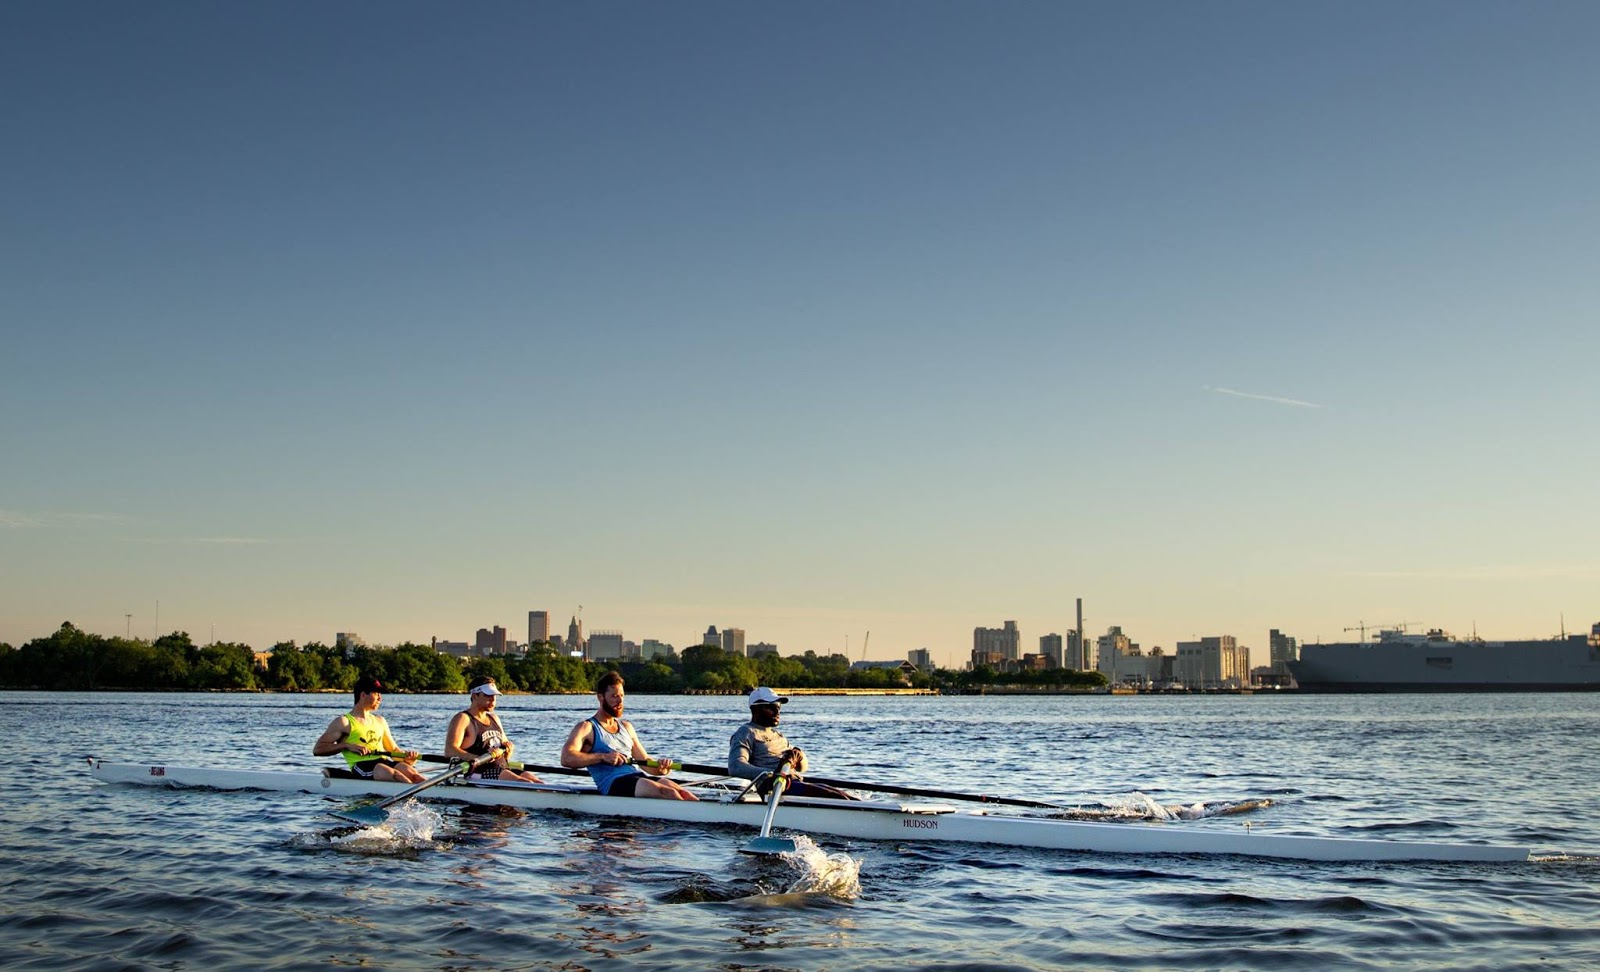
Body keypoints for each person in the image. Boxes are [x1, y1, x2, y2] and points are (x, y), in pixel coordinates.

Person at [560, 671, 698, 800]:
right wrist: (602, 756)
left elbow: (644, 761)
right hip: (614, 784)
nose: (620, 702)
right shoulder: (586, 727)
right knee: (669, 793)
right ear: (600, 697)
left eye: (621, 696)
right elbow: (566, 759)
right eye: (614, 696)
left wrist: (662, 769)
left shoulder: (627, 727)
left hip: (636, 777)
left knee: (683, 793)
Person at [729, 686, 856, 800]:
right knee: (836, 797)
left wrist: (799, 756)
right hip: (775, 787)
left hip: (793, 782)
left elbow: (802, 768)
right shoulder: (746, 732)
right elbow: (735, 766)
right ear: (756, 709)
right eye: (772, 707)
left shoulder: (778, 735)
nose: (777, 712)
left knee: (845, 795)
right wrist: (770, 774)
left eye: (779, 706)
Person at [313, 675, 426, 783]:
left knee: (412, 773)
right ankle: (416, 795)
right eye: (376, 693)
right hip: (363, 766)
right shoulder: (344, 722)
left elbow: (394, 751)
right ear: (363, 695)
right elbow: (318, 749)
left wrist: (408, 759)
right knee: (394, 774)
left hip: (384, 762)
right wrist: (346, 746)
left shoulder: (380, 721)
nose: (380, 698)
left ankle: (433, 791)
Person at [444, 675, 544, 783]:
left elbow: (505, 749)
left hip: (501, 769)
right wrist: (479, 758)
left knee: (539, 783)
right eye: (488, 695)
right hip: (477, 773)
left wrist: (508, 750)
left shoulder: (494, 718)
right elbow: (449, 751)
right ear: (475, 696)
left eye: (495, 695)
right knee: (526, 784)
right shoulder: (463, 719)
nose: (493, 699)